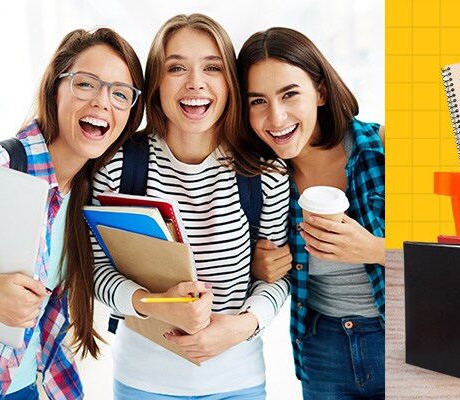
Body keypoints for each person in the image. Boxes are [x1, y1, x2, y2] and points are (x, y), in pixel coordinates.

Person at [90, 14, 290, 400]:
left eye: (212, 68)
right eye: (176, 67)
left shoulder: (264, 171)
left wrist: (244, 325)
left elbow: (276, 274)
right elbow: (98, 272)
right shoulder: (119, 164)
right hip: (142, 382)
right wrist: (152, 304)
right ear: (156, 83)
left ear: (230, 82)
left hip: (239, 381)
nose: (195, 82)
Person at [0, 27, 144, 400]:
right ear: (55, 88)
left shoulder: (88, 200)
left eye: (120, 93)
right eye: (86, 84)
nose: (102, 102)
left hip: (31, 387)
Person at [229, 27, 386, 399]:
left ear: (320, 91)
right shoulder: (256, 177)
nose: (276, 116)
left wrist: (375, 249)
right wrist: (256, 266)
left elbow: (448, 252)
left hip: (400, 334)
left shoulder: (380, 149)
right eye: (257, 101)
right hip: (321, 346)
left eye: (289, 94)